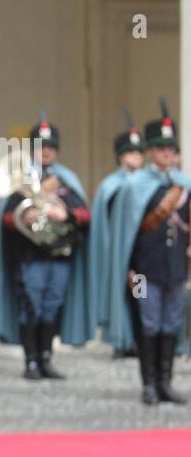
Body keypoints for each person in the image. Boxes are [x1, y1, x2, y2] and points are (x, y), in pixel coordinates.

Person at [0, 114, 91, 379]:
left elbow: (84, 215)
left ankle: (46, 358)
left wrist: (64, 213)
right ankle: (30, 360)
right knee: (32, 306)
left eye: (50, 147)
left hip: (59, 254)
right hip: (30, 256)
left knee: (52, 305)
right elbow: (7, 217)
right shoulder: (21, 180)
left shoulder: (66, 180)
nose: (46, 151)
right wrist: (26, 215)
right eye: (41, 146)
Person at [108, 101, 190, 404]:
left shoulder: (183, 185)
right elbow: (127, 233)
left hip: (175, 268)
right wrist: (128, 268)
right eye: (160, 148)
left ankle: (166, 381)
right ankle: (149, 383)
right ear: (151, 151)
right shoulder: (135, 186)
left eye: (170, 147)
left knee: (171, 324)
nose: (166, 153)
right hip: (142, 270)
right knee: (148, 322)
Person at [91, 114, 146, 355]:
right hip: (116, 250)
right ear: (120, 156)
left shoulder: (147, 184)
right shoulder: (110, 185)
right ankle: (120, 339)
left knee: (140, 295)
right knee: (120, 293)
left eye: (138, 152)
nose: (136, 157)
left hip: (140, 254)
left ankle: (140, 337)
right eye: (130, 152)